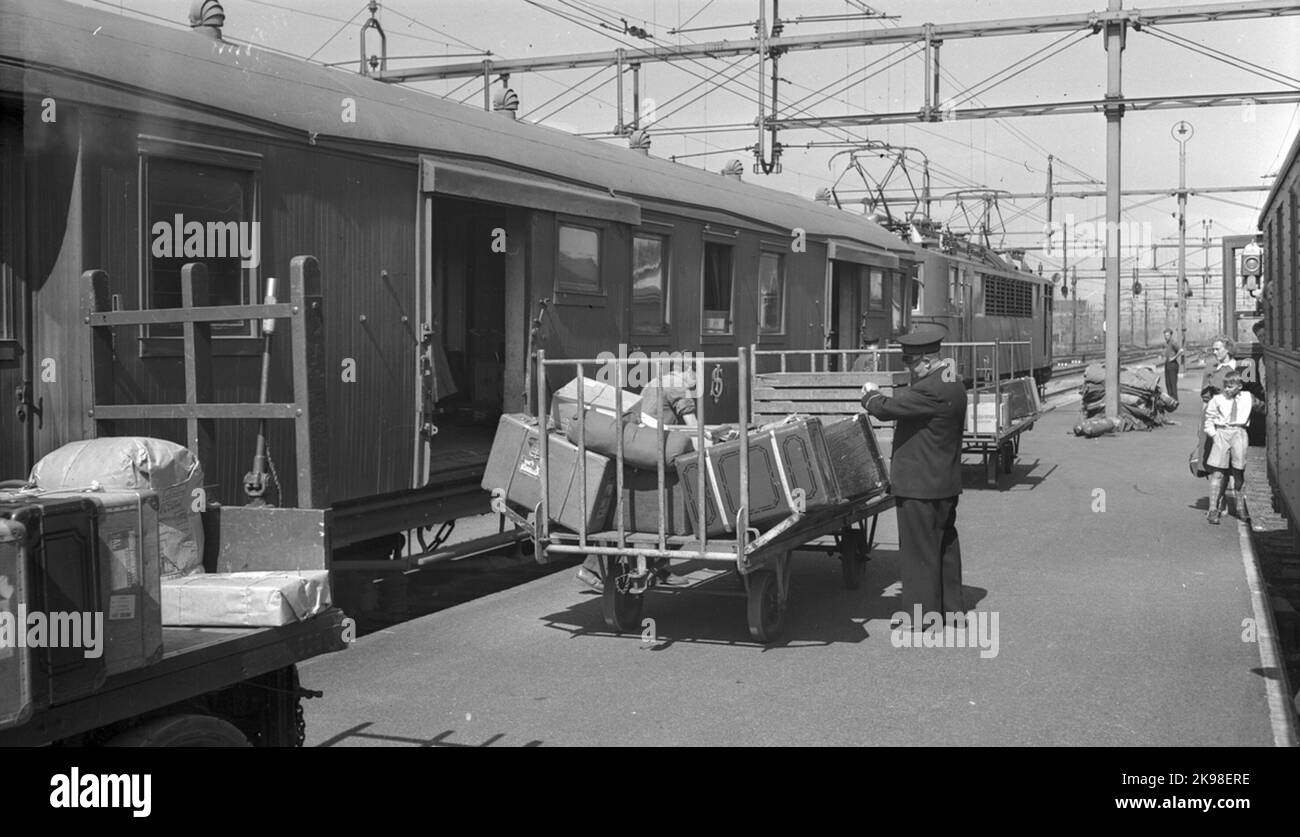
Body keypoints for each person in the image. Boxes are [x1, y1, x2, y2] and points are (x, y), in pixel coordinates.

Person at [860, 323, 968, 627]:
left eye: (911, 361)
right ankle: (952, 611)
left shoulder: (931, 390)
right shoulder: (954, 383)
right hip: (944, 483)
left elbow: (885, 408)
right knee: (944, 546)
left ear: (929, 360)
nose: (908, 367)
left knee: (918, 552)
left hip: (920, 486)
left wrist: (869, 395)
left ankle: (922, 618)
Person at [1202, 369, 1252, 524]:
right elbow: (1208, 418)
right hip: (1222, 433)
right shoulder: (1217, 399)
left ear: (1239, 386)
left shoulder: (1248, 398)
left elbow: (1265, 405)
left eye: (1230, 386)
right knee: (1217, 473)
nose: (1226, 389)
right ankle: (1213, 509)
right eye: (1225, 386)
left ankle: (1240, 509)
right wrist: (1214, 435)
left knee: (1238, 472)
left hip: (1239, 433)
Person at [1161, 328, 1184, 402]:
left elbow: (1181, 350)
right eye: (1165, 335)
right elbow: (1165, 351)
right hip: (1167, 364)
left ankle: (1175, 400)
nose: (1166, 337)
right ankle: (1170, 399)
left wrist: (1174, 357)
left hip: (1173, 364)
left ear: (1171, 335)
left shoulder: (1173, 342)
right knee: (1168, 383)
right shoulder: (1166, 343)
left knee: (1172, 383)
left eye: (1167, 335)